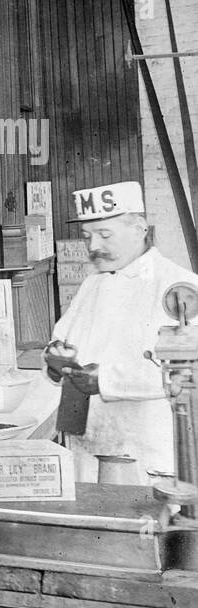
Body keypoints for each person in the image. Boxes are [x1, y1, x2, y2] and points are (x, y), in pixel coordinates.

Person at [44, 180, 198, 485]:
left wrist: (104, 380)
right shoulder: (92, 284)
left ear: (140, 227)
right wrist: (55, 357)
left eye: (105, 234)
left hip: (144, 451)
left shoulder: (179, 287)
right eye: (87, 236)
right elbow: (61, 340)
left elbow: (188, 373)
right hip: (86, 442)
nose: (93, 247)